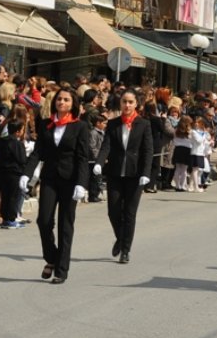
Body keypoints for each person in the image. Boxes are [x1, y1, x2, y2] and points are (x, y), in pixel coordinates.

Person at [22, 87, 90, 284]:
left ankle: (61, 270)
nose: (62, 102)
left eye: (66, 100)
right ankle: (51, 257)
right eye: (59, 99)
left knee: (65, 225)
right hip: (50, 178)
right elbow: (38, 152)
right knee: (43, 221)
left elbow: (82, 157)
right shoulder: (46, 124)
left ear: (73, 104)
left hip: (71, 180)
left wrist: (82, 183)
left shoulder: (80, 126)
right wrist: (26, 173)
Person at [93, 89, 153, 264]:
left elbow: (148, 150)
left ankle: (125, 250)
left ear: (136, 104)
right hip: (115, 172)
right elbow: (106, 146)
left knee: (129, 213)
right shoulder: (113, 123)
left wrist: (146, 173)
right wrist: (99, 162)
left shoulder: (143, 124)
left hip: (135, 175)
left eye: (130, 102)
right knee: (113, 211)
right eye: (124, 101)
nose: (127, 105)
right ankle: (120, 238)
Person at [0, 120, 26, 229]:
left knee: (5, 196)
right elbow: (22, 159)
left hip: (3, 172)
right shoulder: (17, 143)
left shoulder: (2, 142)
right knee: (13, 196)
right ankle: (11, 219)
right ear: (17, 132)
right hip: (14, 173)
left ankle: (5, 218)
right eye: (22, 130)